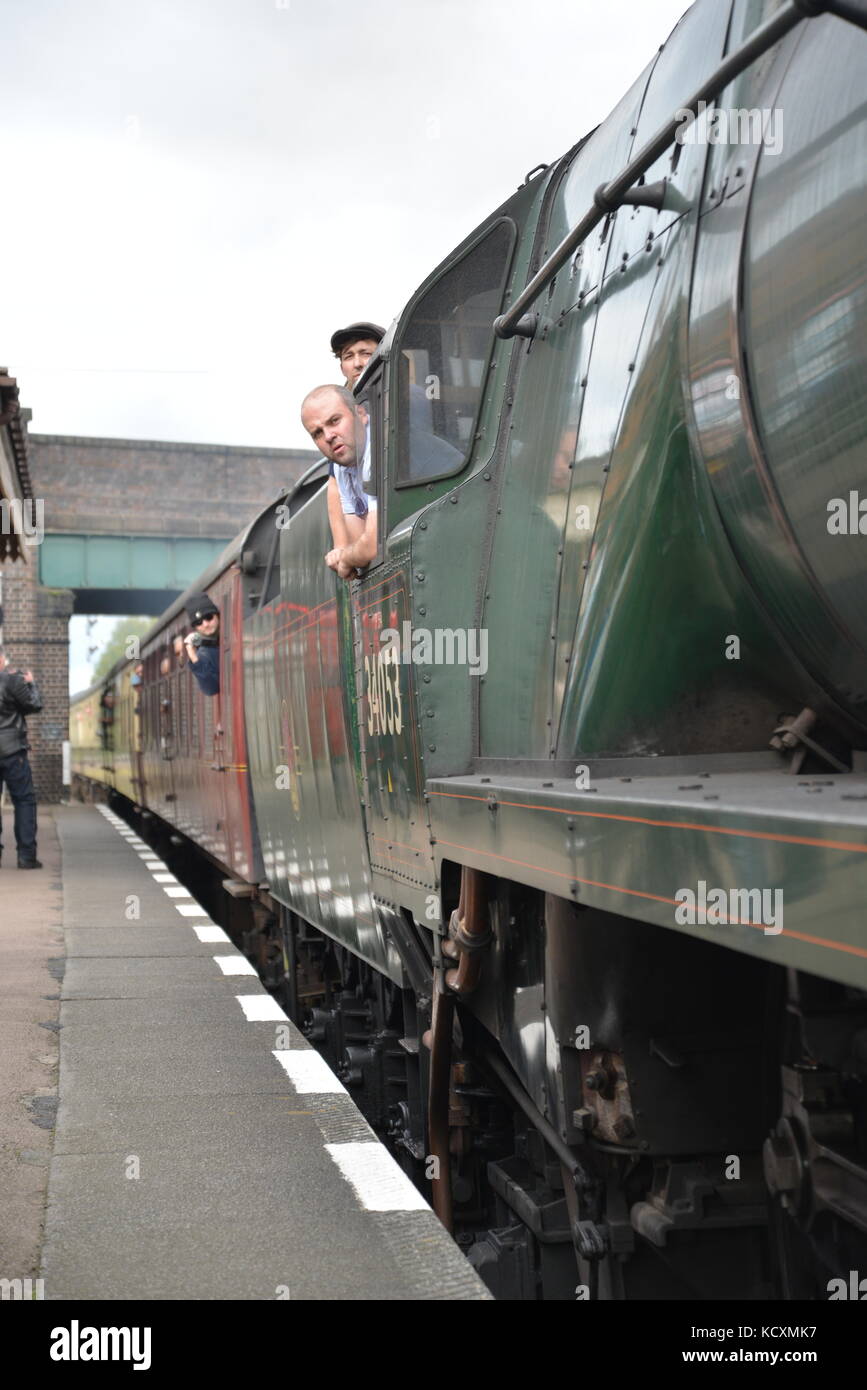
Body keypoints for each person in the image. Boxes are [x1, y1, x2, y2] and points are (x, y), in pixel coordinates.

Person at [301, 385, 377, 580]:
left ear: (361, 414)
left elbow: (370, 547)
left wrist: (344, 557)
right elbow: (359, 540)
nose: (328, 436)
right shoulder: (342, 466)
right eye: (317, 433)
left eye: (334, 421)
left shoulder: (378, 449)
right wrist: (352, 555)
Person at [0, 645, 43, 868]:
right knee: (24, 800)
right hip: (12, 751)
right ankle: (26, 856)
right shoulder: (11, 681)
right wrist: (31, 683)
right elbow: (34, 705)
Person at [181, 594, 220, 695]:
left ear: (217, 615)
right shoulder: (204, 653)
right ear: (196, 628)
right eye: (199, 622)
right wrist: (193, 657)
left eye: (209, 617)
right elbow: (211, 689)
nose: (205, 624)